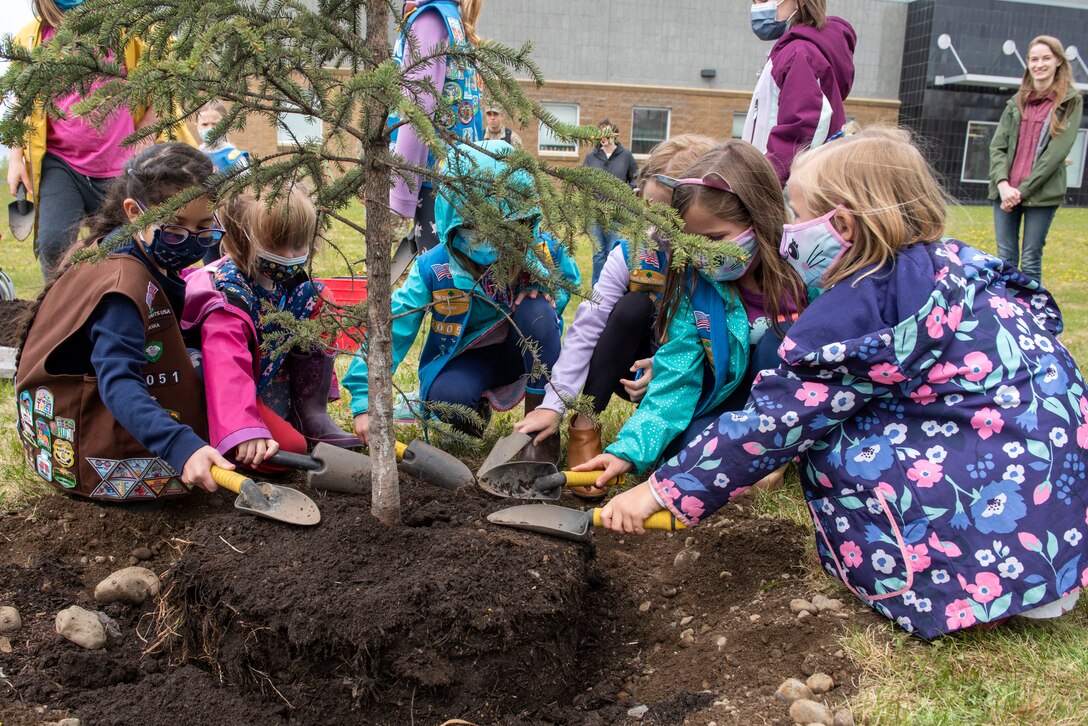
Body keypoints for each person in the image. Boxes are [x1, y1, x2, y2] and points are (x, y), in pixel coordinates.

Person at [603, 128, 1088, 640]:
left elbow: (777, 421)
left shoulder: (858, 303)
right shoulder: (948, 262)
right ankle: (1042, 575)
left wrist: (662, 492)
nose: (789, 232)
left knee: (835, 440)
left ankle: (957, 575)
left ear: (843, 225)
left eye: (799, 214)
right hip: (1056, 485)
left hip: (1006, 497)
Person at [569, 140, 807, 498]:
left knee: (778, 340)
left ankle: (776, 455)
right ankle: (744, 454)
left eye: (715, 239)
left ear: (759, 218)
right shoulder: (698, 282)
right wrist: (627, 452)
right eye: (693, 243)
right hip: (724, 404)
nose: (705, 255)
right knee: (681, 453)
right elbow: (676, 377)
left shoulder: (805, 281)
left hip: (789, 414)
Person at [16, 143, 233, 501]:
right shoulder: (123, 287)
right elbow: (118, 382)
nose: (191, 242)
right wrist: (182, 447)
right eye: (177, 229)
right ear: (135, 213)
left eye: (204, 229)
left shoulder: (129, 247)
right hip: (86, 443)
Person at [513, 134, 717, 497]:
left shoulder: (717, 260)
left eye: (664, 213)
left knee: (681, 456)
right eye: (645, 207)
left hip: (692, 372)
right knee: (631, 307)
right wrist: (554, 404)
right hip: (632, 370)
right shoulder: (633, 253)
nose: (651, 224)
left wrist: (665, 364)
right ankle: (585, 421)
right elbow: (586, 328)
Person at [345, 141, 580, 450]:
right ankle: (472, 414)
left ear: (521, 222)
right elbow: (393, 327)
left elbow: (569, 286)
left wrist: (547, 291)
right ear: (452, 219)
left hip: (522, 352)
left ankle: (539, 433)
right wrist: (365, 401)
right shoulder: (434, 266)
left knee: (537, 310)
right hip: (468, 356)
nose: (483, 237)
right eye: (471, 226)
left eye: (498, 227)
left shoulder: (540, 251)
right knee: (448, 398)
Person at [8, 0, 197, 280]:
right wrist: (14, 158)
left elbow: (167, 78)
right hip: (61, 165)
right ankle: (58, 312)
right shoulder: (33, 38)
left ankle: (127, 305)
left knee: (129, 247)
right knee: (53, 245)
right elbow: (20, 103)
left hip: (120, 169)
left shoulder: (128, 31)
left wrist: (147, 129)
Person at [183, 185, 356, 473]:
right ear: (241, 239)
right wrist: (242, 429)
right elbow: (226, 368)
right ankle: (227, 433)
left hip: (264, 376)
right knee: (290, 449)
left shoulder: (292, 285)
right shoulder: (229, 296)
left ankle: (309, 412)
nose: (290, 255)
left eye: (299, 244)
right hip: (222, 391)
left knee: (318, 295)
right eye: (277, 244)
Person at [389, 0, 484, 254]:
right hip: (458, 181)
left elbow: (417, 108)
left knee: (438, 280)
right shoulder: (451, 20)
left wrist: (401, 194)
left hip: (430, 186)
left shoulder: (430, 19)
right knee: (451, 280)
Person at [989, 35, 1083, 283]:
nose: (1039, 64)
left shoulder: (1070, 101)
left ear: (1059, 62)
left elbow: (1056, 154)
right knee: (1005, 259)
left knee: (1030, 260)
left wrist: (1021, 191)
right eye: (1034, 59)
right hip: (1005, 191)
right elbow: (997, 146)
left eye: (1046, 58)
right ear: (1028, 63)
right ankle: (1005, 315)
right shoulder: (1016, 102)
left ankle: (1033, 319)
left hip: (1041, 195)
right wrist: (1003, 185)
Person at [744, 0, 855, 186]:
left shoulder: (799, 53)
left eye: (764, 0)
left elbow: (803, 129)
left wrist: (761, 186)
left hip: (780, 197)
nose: (757, 7)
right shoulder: (790, 51)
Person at [195, 100, 252, 263]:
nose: (210, 129)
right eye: (204, 124)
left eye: (215, 124)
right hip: (205, 227)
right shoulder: (194, 155)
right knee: (210, 267)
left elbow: (247, 192)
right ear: (197, 125)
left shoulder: (234, 157)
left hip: (232, 225)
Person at [583, 119, 640, 285]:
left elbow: (636, 177)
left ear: (615, 135)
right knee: (598, 254)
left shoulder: (626, 156)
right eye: (601, 133)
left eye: (608, 133)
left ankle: (612, 288)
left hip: (617, 214)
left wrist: (626, 191)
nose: (604, 137)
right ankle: (597, 289)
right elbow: (584, 181)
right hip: (596, 213)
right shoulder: (591, 157)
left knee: (612, 252)